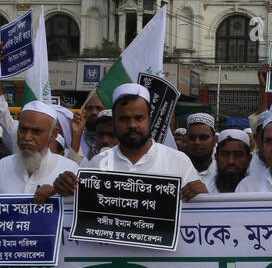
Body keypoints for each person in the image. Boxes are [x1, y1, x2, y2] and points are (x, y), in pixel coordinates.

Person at [54, 84, 206, 198]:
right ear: (114, 121)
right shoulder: (98, 163)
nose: (132, 125)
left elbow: (202, 212)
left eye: (139, 118)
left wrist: (202, 194)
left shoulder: (177, 161)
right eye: (124, 119)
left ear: (149, 119)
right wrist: (62, 189)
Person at [0, 102, 80, 206]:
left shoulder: (69, 168)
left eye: (36, 132)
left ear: (53, 135)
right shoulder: (3, 165)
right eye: (23, 129)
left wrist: (55, 193)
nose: (27, 137)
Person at [207, 129, 252, 194]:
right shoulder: (205, 188)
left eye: (238, 155)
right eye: (225, 155)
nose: (231, 161)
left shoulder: (258, 189)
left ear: (249, 159)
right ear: (216, 157)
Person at [183, 113, 219, 188]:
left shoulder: (222, 173)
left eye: (203, 137)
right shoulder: (175, 170)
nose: (197, 142)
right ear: (185, 140)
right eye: (192, 138)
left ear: (214, 140)